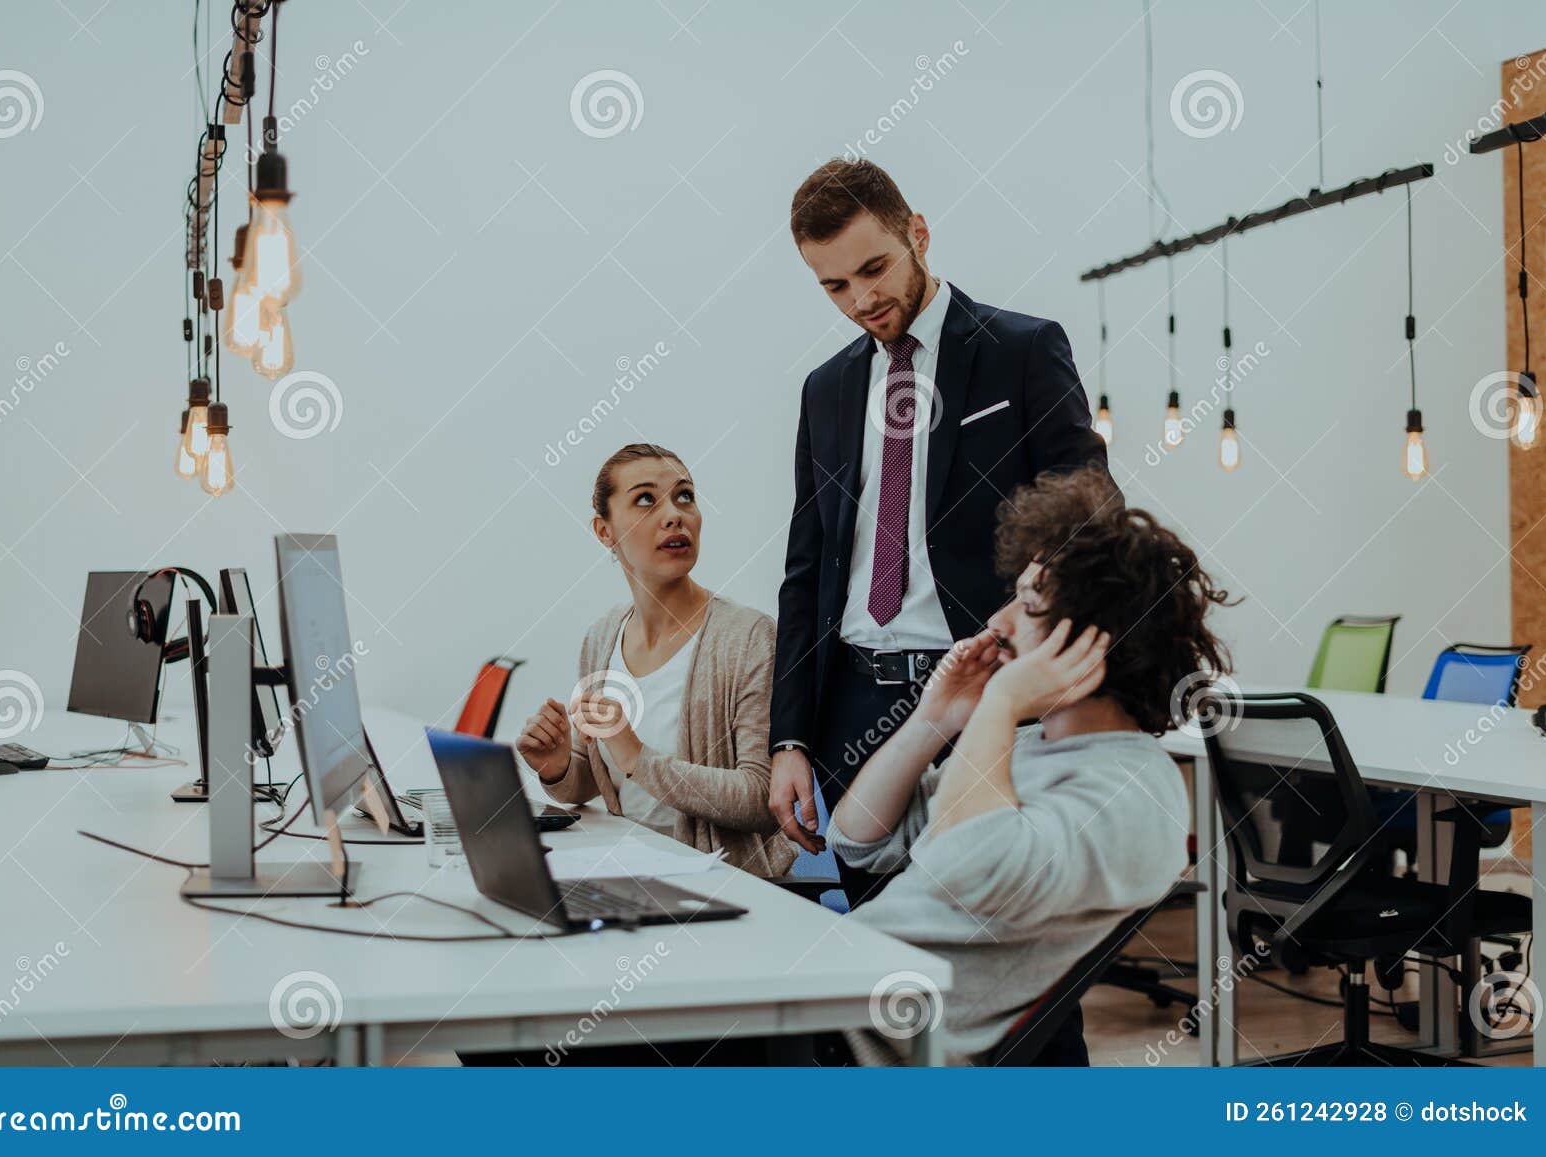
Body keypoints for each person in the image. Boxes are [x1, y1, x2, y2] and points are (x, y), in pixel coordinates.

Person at [770, 158, 1115, 908]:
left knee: (1007, 934)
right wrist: (788, 739)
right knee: (876, 951)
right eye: (834, 285)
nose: (862, 298)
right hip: (853, 710)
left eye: (874, 268)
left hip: (985, 689)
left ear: (917, 234)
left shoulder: (1021, 350)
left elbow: (1091, 510)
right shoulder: (825, 391)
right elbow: (806, 573)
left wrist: (1044, 614)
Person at [827, 468, 1232, 1064]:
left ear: (1094, 640)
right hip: (826, 998)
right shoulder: (1026, 747)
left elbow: (964, 867)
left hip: (853, 1044)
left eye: (1030, 605)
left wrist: (1001, 701)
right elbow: (857, 839)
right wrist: (934, 720)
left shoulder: (1136, 791)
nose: (998, 622)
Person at [516, 443, 796, 879]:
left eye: (684, 496)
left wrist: (637, 756)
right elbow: (593, 782)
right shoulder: (602, 638)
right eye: (646, 499)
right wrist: (557, 768)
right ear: (604, 532)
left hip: (722, 887)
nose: (674, 514)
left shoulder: (748, 637)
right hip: (625, 872)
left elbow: (763, 799)